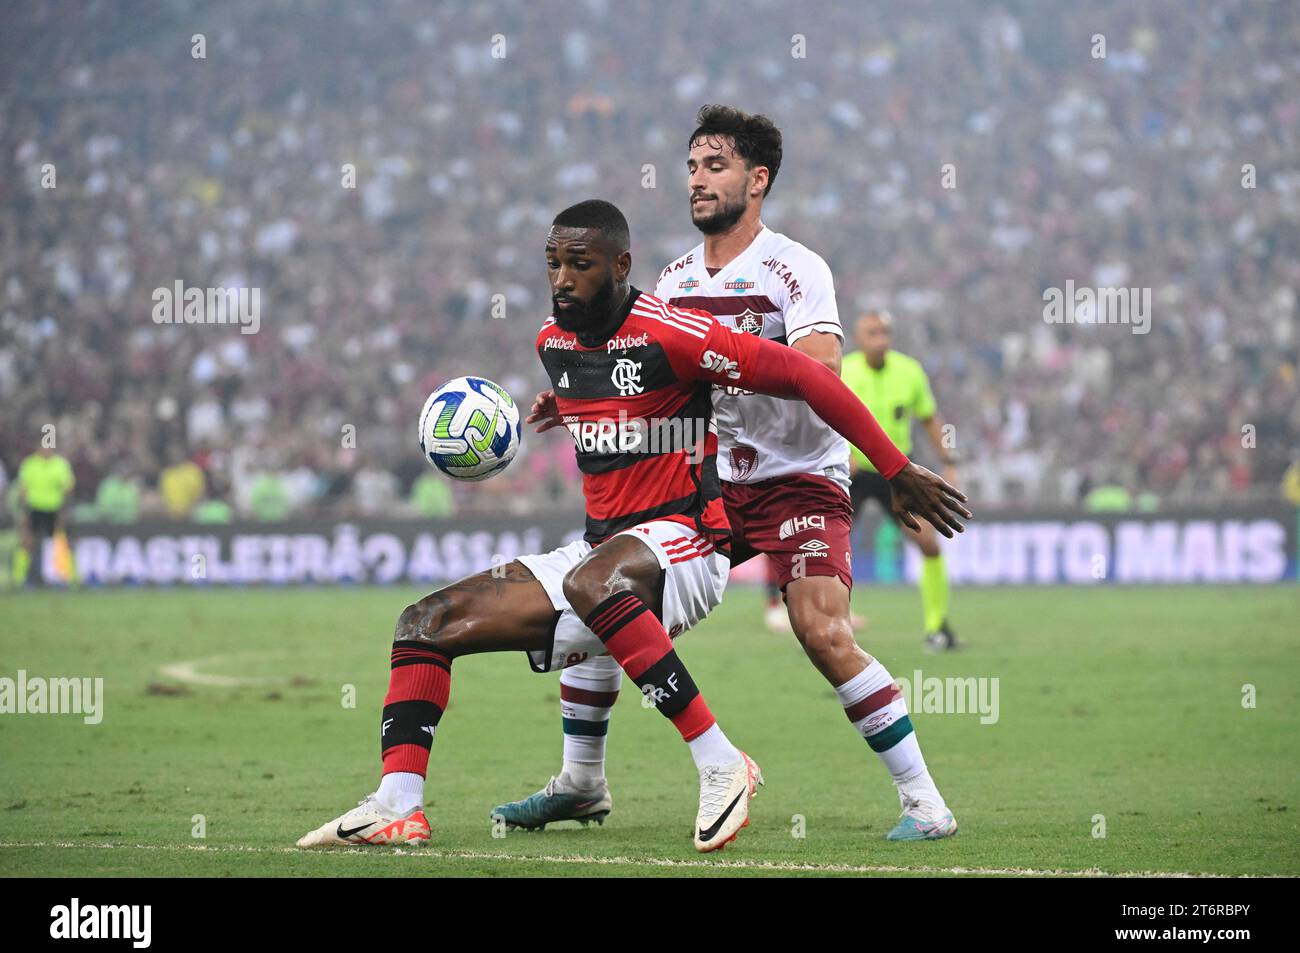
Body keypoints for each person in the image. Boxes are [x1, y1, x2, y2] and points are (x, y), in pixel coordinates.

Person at [297, 199, 967, 852]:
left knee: (619, 588)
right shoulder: (551, 342)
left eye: (579, 264)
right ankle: (400, 805)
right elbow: (612, 385)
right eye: (553, 263)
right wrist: (570, 402)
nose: (562, 279)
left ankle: (722, 761)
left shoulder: (675, 332)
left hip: (687, 540)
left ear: (620, 265)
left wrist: (896, 464)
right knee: (424, 623)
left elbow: (807, 376)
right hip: (607, 549)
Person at [492, 108, 965, 842]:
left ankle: (926, 804)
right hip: (711, 484)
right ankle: (580, 783)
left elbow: (820, 369)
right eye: (691, 168)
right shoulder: (674, 280)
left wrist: (730, 359)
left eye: (715, 166)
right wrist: (579, 394)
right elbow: (649, 370)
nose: (699, 180)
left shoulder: (795, 268)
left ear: (758, 178)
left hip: (801, 478)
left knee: (820, 630)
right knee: (603, 592)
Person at [843, 311, 963, 652]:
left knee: (929, 544)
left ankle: (937, 627)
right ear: (859, 337)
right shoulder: (845, 370)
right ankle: (827, 626)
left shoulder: (909, 371)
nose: (881, 338)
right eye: (873, 332)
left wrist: (949, 461)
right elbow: (820, 416)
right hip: (850, 472)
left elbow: (930, 419)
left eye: (885, 332)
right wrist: (839, 452)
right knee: (827, 546)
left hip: (895, 473)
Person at [15, 445, 76, 587]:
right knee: (31, 544)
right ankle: (27, 578)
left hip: (54, 509)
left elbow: (67, 489)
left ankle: (59, 577)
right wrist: (25, 513)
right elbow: (23, 490)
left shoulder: (60, 464)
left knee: (56, 544)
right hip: (34, 509)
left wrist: (64, 511)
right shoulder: (29, 464)